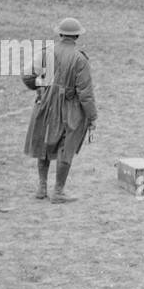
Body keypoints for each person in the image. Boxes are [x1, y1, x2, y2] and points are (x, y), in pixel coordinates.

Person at [23, 17, 97, 203]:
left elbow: (27, 76)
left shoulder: (46, 52)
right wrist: (92, 116)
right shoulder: (80, 59)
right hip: (69, 107)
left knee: (44, 142)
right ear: (77, 35)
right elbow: (85, 93)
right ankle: (58, 192)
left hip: (45, 103)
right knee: (67, 146)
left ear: (60, 34)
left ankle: (41, 188)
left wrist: (40, 86)